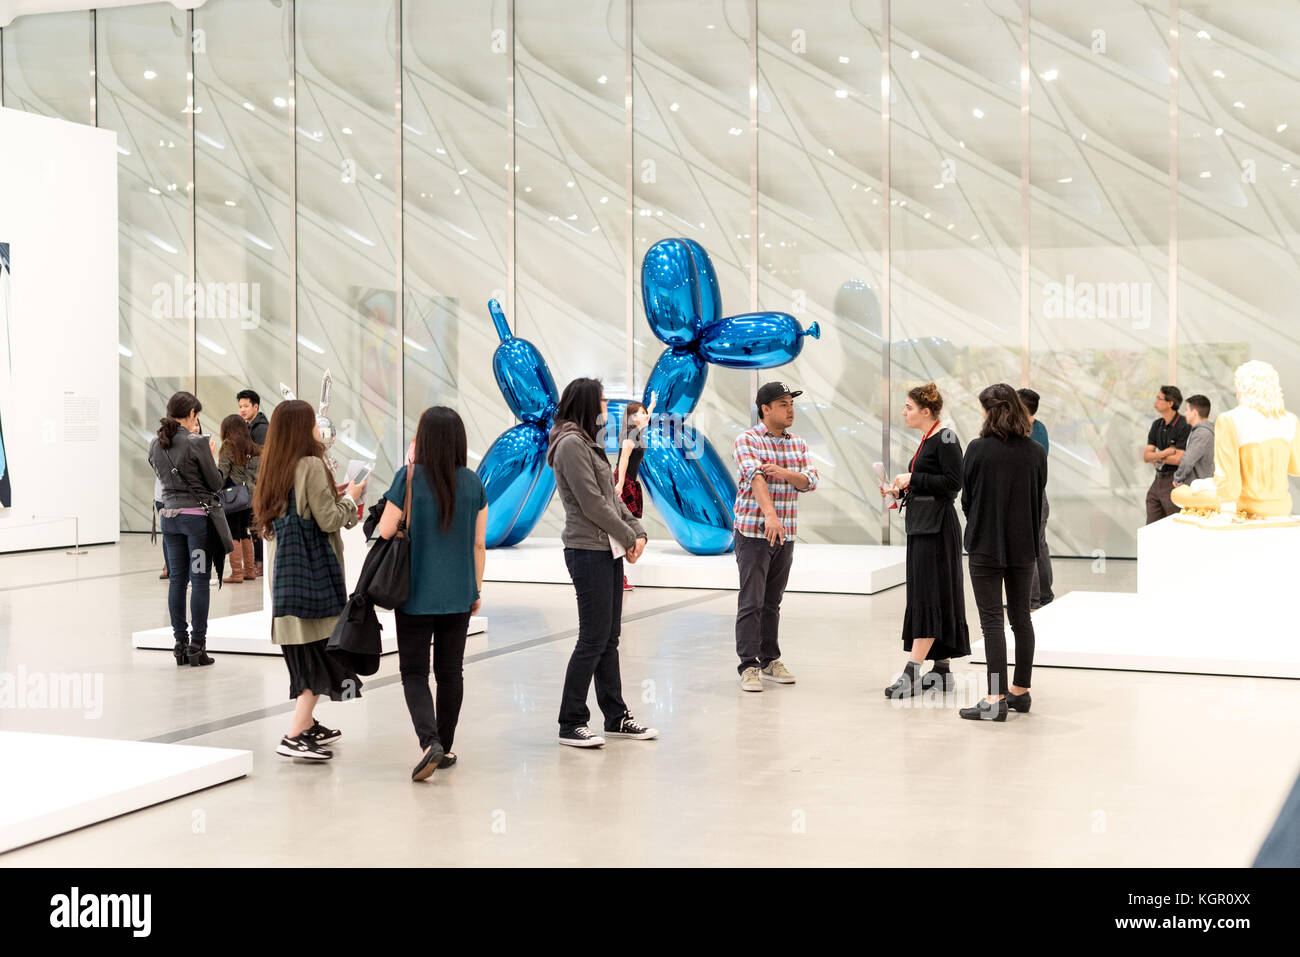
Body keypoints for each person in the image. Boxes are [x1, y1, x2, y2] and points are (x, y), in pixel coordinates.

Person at [377, 406, 488, 781]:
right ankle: (444, 744)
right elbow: (478, 545)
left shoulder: (406, 478)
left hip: (412, 593)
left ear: (422, 439)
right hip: (458, 592)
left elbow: (385, 531)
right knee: (450, 672)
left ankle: (429, 743)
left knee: (413, 671)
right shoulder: (474, 483)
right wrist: (475, 589)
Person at [253, 399, 367, 761]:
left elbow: (302, 508)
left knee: (305, 657)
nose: (320, 430)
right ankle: (293, 735)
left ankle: (307, 725)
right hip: (313, 581)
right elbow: (329, 520)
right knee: (320, 659)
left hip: (287, 580)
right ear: (303, 429)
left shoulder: (274, 467)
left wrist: (335, 494)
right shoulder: (312, 465)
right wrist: (351, 500)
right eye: (314, 424)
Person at [547, 377, 657, 748]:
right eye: (602, 401)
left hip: (605, 549)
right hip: (586, 550)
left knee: (609, 638)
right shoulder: (570, 445)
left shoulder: (587, 444)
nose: (605, 409)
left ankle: (615, 716)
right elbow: (593, 504)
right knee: (593, 638)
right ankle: (571, 721)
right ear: (585, 403)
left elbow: (611, 496)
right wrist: (629, 538)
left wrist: (636, 530)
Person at [959, 384, 1047, 722]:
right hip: (1024, 546)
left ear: (989, 411)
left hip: (985, 544)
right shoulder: (1036, 452)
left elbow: (967, 499)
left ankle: (994, 698)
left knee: (992, 621)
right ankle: (1020, 693)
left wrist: (982, 520)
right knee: (1021, 619)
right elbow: (1037, 500)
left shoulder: (978, 449)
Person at [732, 381, 819, 692]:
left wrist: (784, 473)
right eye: (783, 404)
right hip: (754, 531)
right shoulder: (747, 440)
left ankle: (770, 659)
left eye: (791, 404)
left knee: (773, 602)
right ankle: (748, 664)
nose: (790, 409)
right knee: (751, 601)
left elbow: (810, 480)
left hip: (786, 534)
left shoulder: (797, 444)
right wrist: (770, 515)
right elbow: (754, 476)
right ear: (765, 409)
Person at [884, 382, 969, 698]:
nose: (904, 412)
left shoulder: (945, 437)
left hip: (936, 529)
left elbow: (952, 483)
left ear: (926, 411)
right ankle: (942, 670)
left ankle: (912, 672)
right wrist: (904, 488)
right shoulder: (930, 438)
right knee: (934, 592)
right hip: (924, 526)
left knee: (929, 594)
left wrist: (913, 478)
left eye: (908, 407)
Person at [149, 391, 226, 667]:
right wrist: (213, 456)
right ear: (192, 414)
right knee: (200, 580)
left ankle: (179, 644)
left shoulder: (155, 445)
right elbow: (215, 483)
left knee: (177, 581)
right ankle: (197, 646)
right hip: (196, 523)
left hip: (169, 520)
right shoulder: (197, 443)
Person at [614, 393, 655, 592]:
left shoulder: (636, 432)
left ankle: (618, 576)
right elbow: (622, 461)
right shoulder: (630, 437)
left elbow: (647, 417)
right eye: (641, 414)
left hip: (629, 482)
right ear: (632, 418)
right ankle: (618, 577)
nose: (646, 416)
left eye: (646, 414)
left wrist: (652, 405)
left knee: (623, 529)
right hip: (624, 483)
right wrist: (620, 484)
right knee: (623, 530)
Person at [1018, 388, 1054, 610]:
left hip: (1031, 497)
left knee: (1030, 547)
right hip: (1037, 496)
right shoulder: (1037, 428)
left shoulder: (1031, 432)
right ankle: (1043, 595)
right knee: (1038, 546)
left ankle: (1033, 599)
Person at [217, 414, 261, 584]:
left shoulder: (228, 447)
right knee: (245, 532)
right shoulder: (255, 448)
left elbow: (221, 476)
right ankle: (249, 570)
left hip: (233, 496)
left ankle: (236, 573)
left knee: (233, 533)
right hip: (250, 497)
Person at [1143, 385, 1191, 523]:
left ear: (1170, 403)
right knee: (1151, 524)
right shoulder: (1156, 425)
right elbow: (1146, 456)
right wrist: (1165, 453)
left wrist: (1156, 456)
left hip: (1175, 481)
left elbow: (1178, 459)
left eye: (1159, 398)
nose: (1155, 401)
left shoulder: (1184, 425)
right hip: (1157, 479)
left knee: (1174, 524)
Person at [238, 389, 269, 576]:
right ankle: (253, 563)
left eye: (246, 406)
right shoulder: (248, 425)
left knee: (257, 524)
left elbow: (261, 457)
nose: (242, 409)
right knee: (251, 523)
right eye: (240, 406)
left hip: (258, 483)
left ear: (255, 406)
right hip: (249, 482)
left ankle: (260, 563)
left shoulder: (262, 428)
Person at [1172, 394, 1214, 487]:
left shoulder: (1202, 433)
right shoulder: (1205, 431)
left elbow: (1188, 459)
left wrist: (1178, 479)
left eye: (1187, 410)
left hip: (1199, 492)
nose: (1184, 413)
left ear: (1194, 413)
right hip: (1202, 489)